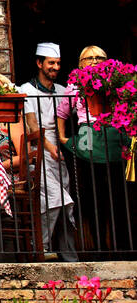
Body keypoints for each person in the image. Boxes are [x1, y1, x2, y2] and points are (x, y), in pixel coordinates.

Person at [57, 45, 131, 255]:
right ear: (81, 64)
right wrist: (63, 138)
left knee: (119, 196)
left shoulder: (116, 82)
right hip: (89, 139)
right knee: (93, 196)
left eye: (100, 57)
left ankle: (123, 247)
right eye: (89, 58)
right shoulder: (75, 85)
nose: (95, 61)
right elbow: (62, 113)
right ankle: (99, 248)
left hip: (114, 138)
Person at [16, 42, 78, 261]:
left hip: (59, 156)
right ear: (39, 63)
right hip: (38, 154)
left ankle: (68, 256)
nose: (55, 67)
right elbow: (33, 127)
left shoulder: (64, 91)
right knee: (57, 199)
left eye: (58, 63)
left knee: (65, 207)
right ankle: (39, 246)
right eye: (51, 62)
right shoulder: (25, 89)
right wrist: (52, 148)